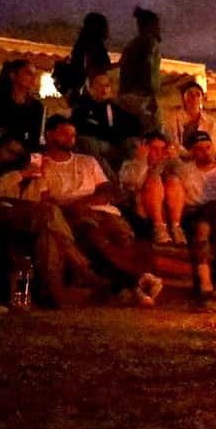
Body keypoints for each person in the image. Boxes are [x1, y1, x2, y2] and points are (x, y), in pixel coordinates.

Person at [40, 116, 162, 306]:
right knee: (93, 233)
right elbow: (45, 199)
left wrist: (85, 203)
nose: (71, 137)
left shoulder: (87, 161)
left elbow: (106, 190)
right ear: (49, 135)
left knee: (121, 234)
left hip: (102, 210)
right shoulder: (42, 164)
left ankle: (126, 285)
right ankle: (136, 282)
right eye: (65, 133)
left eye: (73, 133)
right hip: (70, 215)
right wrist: (75, 208)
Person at [0, 135, 104, 307]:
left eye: (18, 154)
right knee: (50, 211)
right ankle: (82, 267)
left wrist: (35, 178)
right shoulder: (10, 174)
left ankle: (55, 295)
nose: (13, 157)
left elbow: (35, 202)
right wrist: (20, 174)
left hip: (22, 219)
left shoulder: (27, 176)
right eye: (9, 151)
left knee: (49, 235)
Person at [173, 131, 216, 300]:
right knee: (201, 224)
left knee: (214, 218)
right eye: (200, 149)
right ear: (193, 152)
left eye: (208, 147)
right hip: (193, 215)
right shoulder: (184, 172)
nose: (206, 152)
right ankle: (205, 282)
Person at [119, 131, 187, 244]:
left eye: (162, 149)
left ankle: (176, 227)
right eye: (154, 149)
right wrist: (141, 160)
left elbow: (187, 181)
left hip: (168, 214)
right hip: (141, 215)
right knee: (154, 180)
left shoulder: (168, 164)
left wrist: (175, 159)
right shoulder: (131, 163)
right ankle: (158, 228)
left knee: (174, 181)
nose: (159, 153)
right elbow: (131, 183)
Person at [71, 71, 142, 175]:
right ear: (90, 88)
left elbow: (132, 123)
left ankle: (131, 179)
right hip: (96, 142)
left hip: (114, 143)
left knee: (133, 144)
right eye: (99, 85)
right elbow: (84, 127)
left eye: (107, 85)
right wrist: (111, 133)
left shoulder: (112, 107)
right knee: (89, 143)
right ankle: (110, 181)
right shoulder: (82, 106)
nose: (104, 89)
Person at [117, 6, 163, 131]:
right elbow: (149, 67)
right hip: (142, 98)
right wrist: (152, 94)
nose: (159, 28)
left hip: (126, 97)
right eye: (157, 24)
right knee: (154, 134)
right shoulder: (151, 42)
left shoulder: (131, 45)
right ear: (152, 25)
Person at [64, 12, 116, 105]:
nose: (108, 29)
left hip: (80, 95)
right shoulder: (95, 46)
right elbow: (98, 68)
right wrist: (120, 64)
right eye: (105, 25)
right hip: (91, 95)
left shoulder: (81, 45)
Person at [165, 80, 216, 159]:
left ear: (202, 98)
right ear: (183, 98)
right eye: (190, 94)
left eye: (198, 94)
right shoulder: (173, 118)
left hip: (205, 158)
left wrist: (204, 154)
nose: (194, 97)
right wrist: (189, 154)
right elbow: (173, 142)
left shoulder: (210, 121)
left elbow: (215, 146)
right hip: (180, 160)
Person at [0, 59, 46, 150]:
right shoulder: (1, 100)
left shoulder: (36, 107)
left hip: (22, 155)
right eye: (29, 73)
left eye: (34, 74)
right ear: (13, 76)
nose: (33, 78)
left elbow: (35, 139)